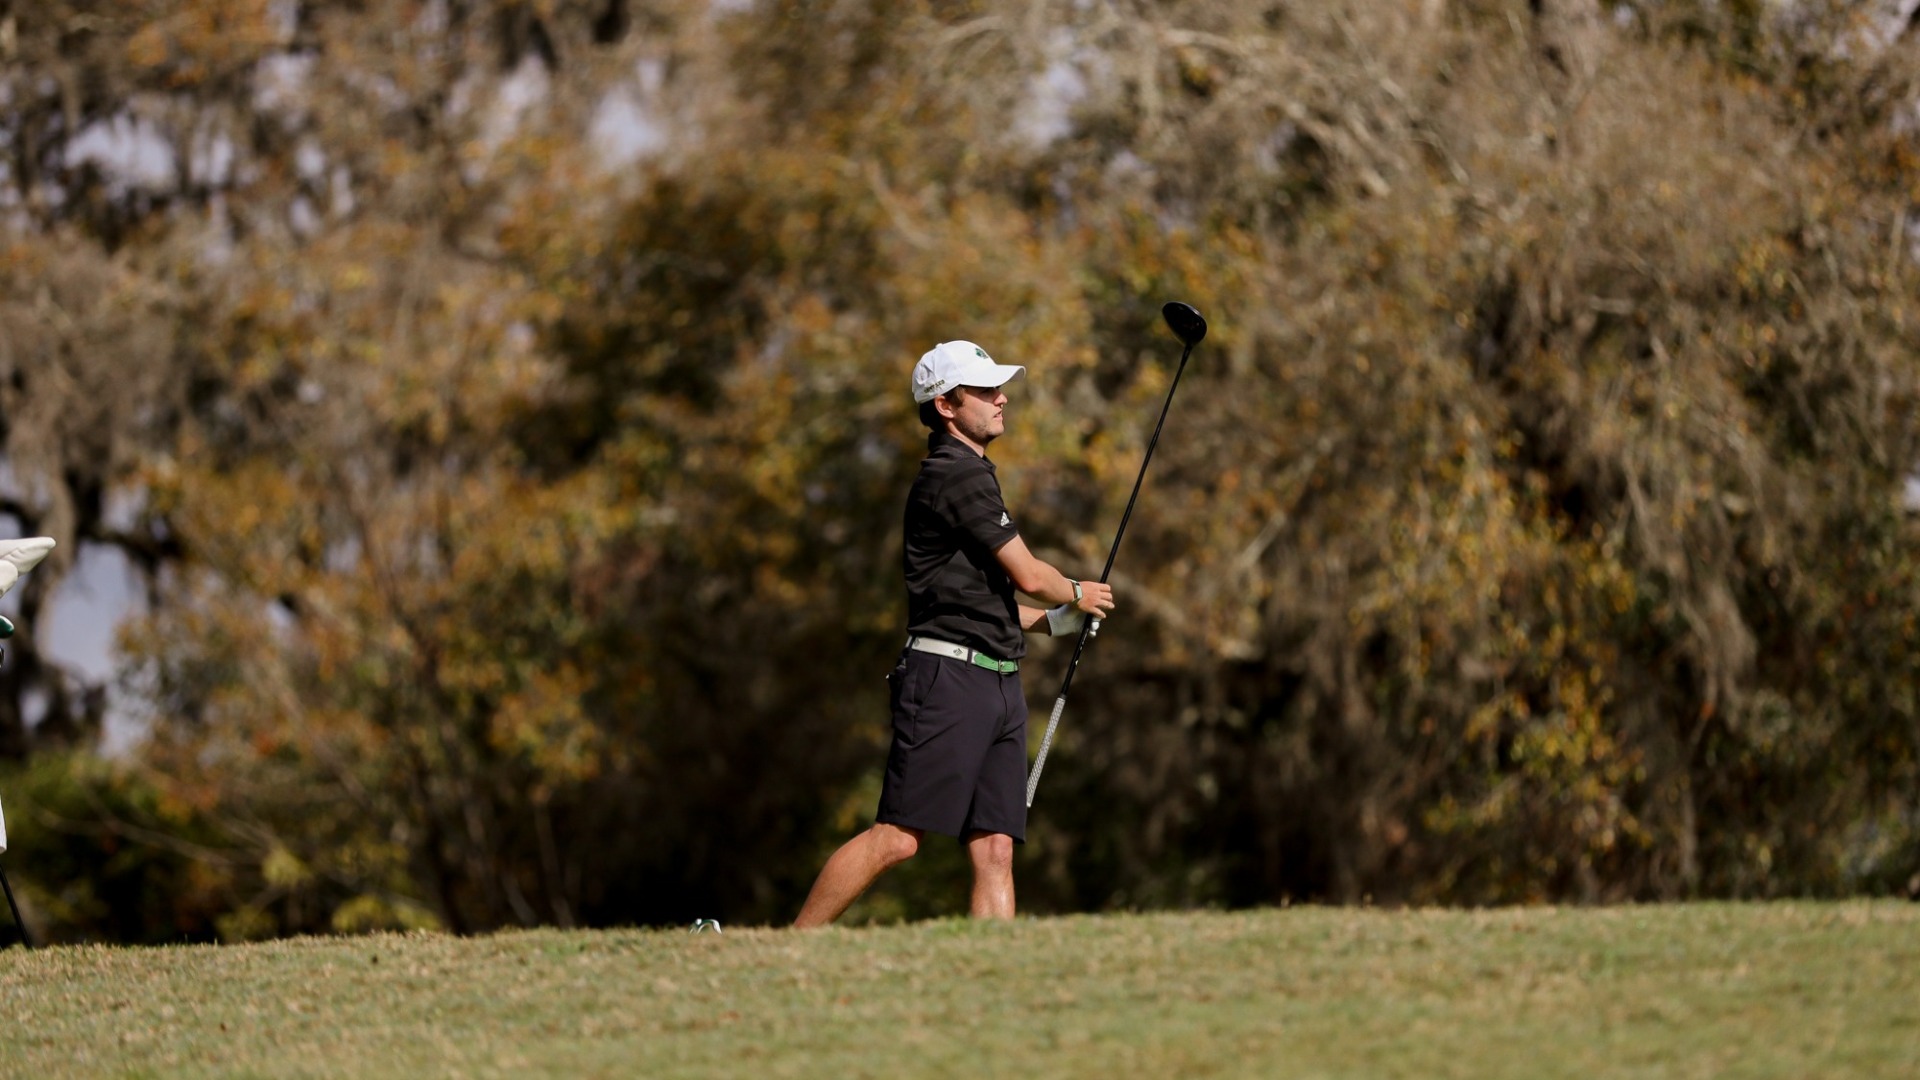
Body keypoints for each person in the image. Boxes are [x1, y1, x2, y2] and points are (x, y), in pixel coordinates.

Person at [793, 341, 1115, 927]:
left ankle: (994, 981)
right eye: (987, 390)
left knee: (995, 848)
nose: (1003, 398)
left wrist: (1056, 622)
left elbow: (985, 601)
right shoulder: (956, 475)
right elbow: (1029, 576)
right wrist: (1075, 592)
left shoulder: (972, 476)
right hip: (948, 680)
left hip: (997, 680)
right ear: (946, 405)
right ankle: (786, 947)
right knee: (898, 838)